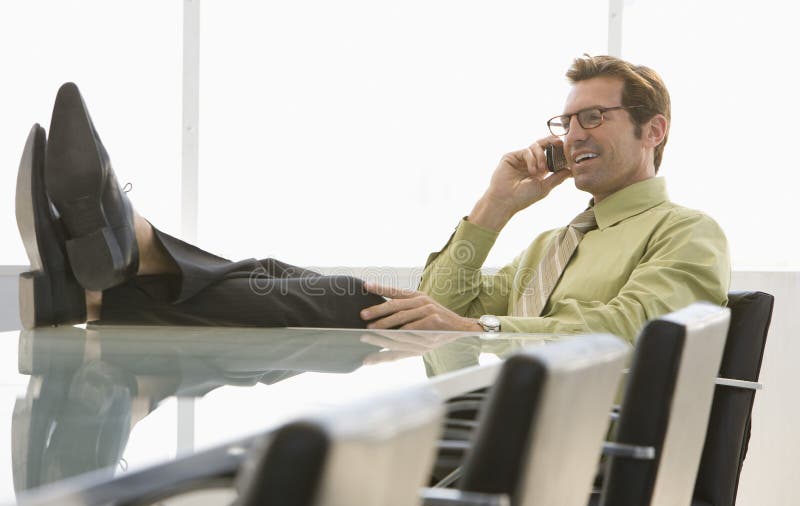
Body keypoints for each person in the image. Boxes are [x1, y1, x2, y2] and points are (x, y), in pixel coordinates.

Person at [17, 55, 729, 339]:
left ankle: (126, 250)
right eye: (566, 121)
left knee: (341, 302)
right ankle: (101, 287)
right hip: (495, 387)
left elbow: (634, 330)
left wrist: (479, 330)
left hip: (556, 419)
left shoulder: (686, 232)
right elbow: (438, 300)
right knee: (279, 275)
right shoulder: (554, 240)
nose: (572, 135)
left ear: (654, 130)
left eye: (593, 118)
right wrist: (495, 206)